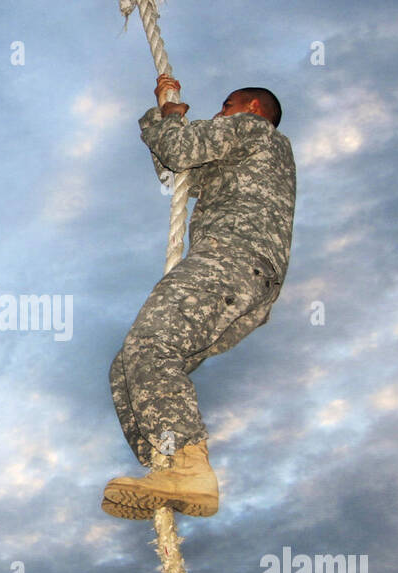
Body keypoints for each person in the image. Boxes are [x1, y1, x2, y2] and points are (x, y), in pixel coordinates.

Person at [102, 75, 296, 519]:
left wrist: (171, 114)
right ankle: (169, 464)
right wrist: (161, 115)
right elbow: (176, 172)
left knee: (152, 345)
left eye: (224, 107)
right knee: (128, 364)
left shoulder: (254, 130)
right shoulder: (245, 154)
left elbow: (181, 148)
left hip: (231, 257)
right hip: (248, 279)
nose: (218, 114)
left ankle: (188, 465)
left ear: (249, 108)